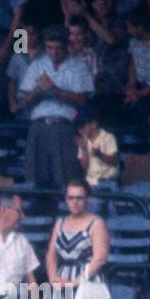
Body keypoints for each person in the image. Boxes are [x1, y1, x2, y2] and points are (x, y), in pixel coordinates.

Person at [18, 26, 94, 189]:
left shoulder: (79, 67)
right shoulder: (37, 65)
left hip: (64, 127)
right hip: (38, 126)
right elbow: (23, 101)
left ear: (67, 46)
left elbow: (83, 100)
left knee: (65, 178)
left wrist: (54, 89)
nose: (54, 52)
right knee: (36, 180)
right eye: (49, 48)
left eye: (58, 48)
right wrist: (40, 88)